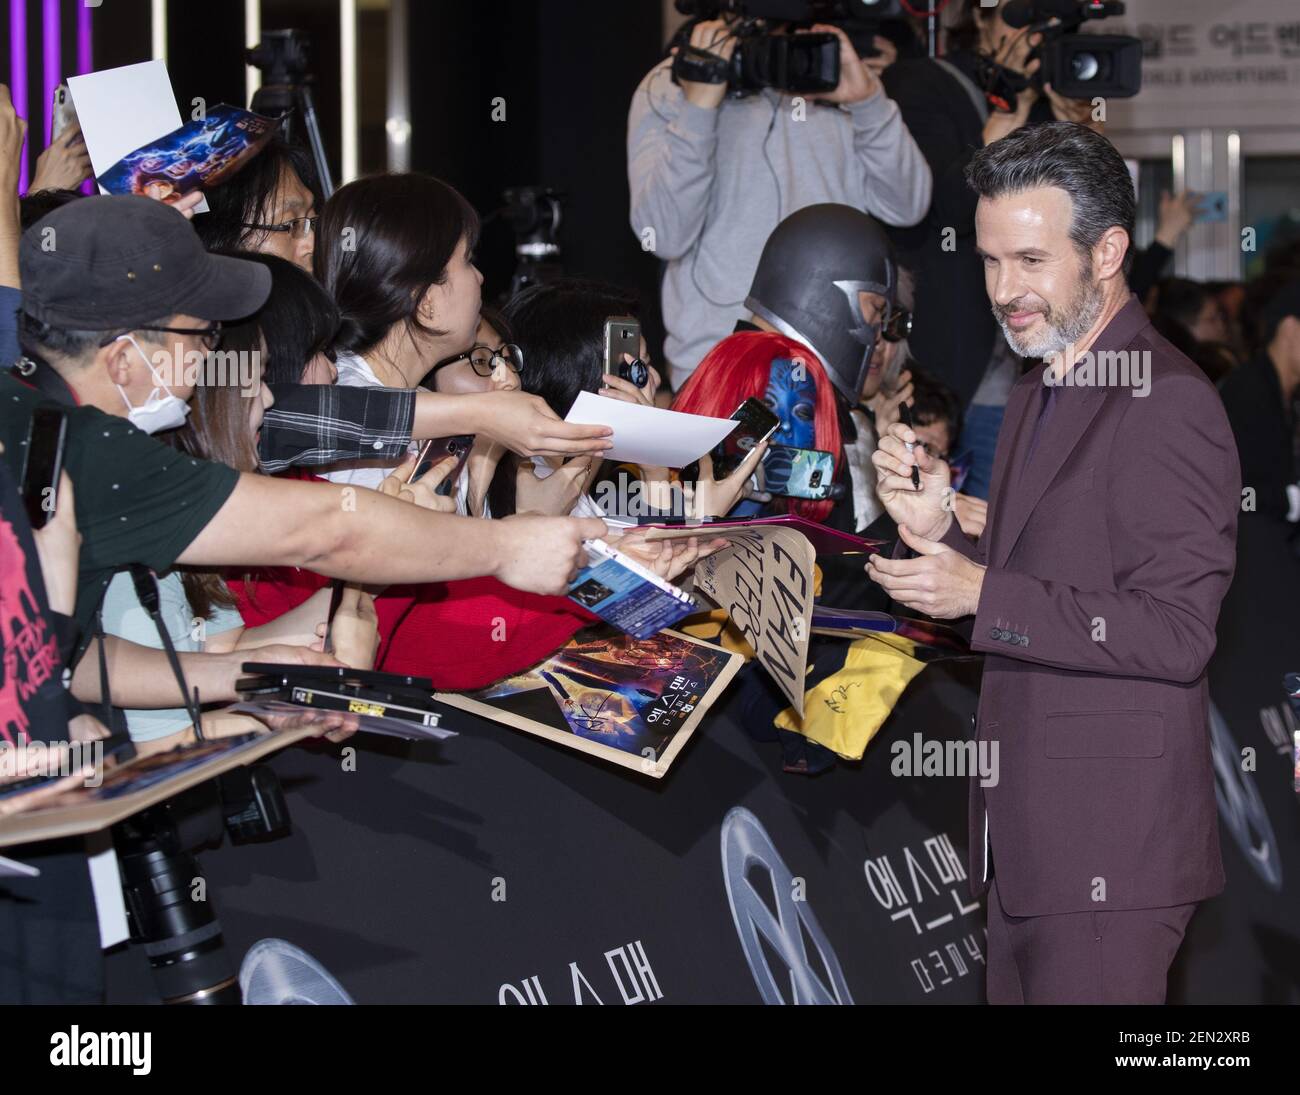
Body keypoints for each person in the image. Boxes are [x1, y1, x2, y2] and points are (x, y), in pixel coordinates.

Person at [867, 122, 1240, 1004]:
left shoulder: (1169, 402)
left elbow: (1180, 632)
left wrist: (981, 588)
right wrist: (944, 533)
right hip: (1028, 847)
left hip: (1108, 855)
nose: (1005, 290)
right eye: (992, 262)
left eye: (1031, 261)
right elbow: (1049, 566)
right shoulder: (1043, 380)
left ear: (1108, 250)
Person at [3, 195, 606, 668]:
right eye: (201, 338)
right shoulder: (96, 454)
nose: (215, 364)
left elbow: (78, 659)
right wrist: (505, 549)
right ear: (124, 361)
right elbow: (324, 528)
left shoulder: (30, 409)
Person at [627, 15, 931, 388]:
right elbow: (662, 234)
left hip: (835, 361)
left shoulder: (828, 66)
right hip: (718, 367)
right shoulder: (672, 82)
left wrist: (868, 103)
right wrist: (699, 106)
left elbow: (907, 204)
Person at [1218, 275, 1300, 535]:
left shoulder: (1285, 394)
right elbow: (1236, 492)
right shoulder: (1247, 394)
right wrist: (1292, 500)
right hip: (1253, 557)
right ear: (1290, 328)